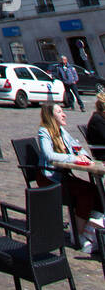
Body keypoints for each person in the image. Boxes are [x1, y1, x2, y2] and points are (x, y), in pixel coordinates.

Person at [37, 103, 104, 252]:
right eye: (59, 112)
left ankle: (93, 230)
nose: (64, 114)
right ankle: (78, 235)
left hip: (63, 176)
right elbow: (49, 155)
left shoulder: (62, 131)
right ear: (50, 115)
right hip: (50, 178)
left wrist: (84, 156)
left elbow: (77, 146)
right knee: (85, 193)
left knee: (95, 190)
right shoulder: (44, 132)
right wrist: (73, 158)